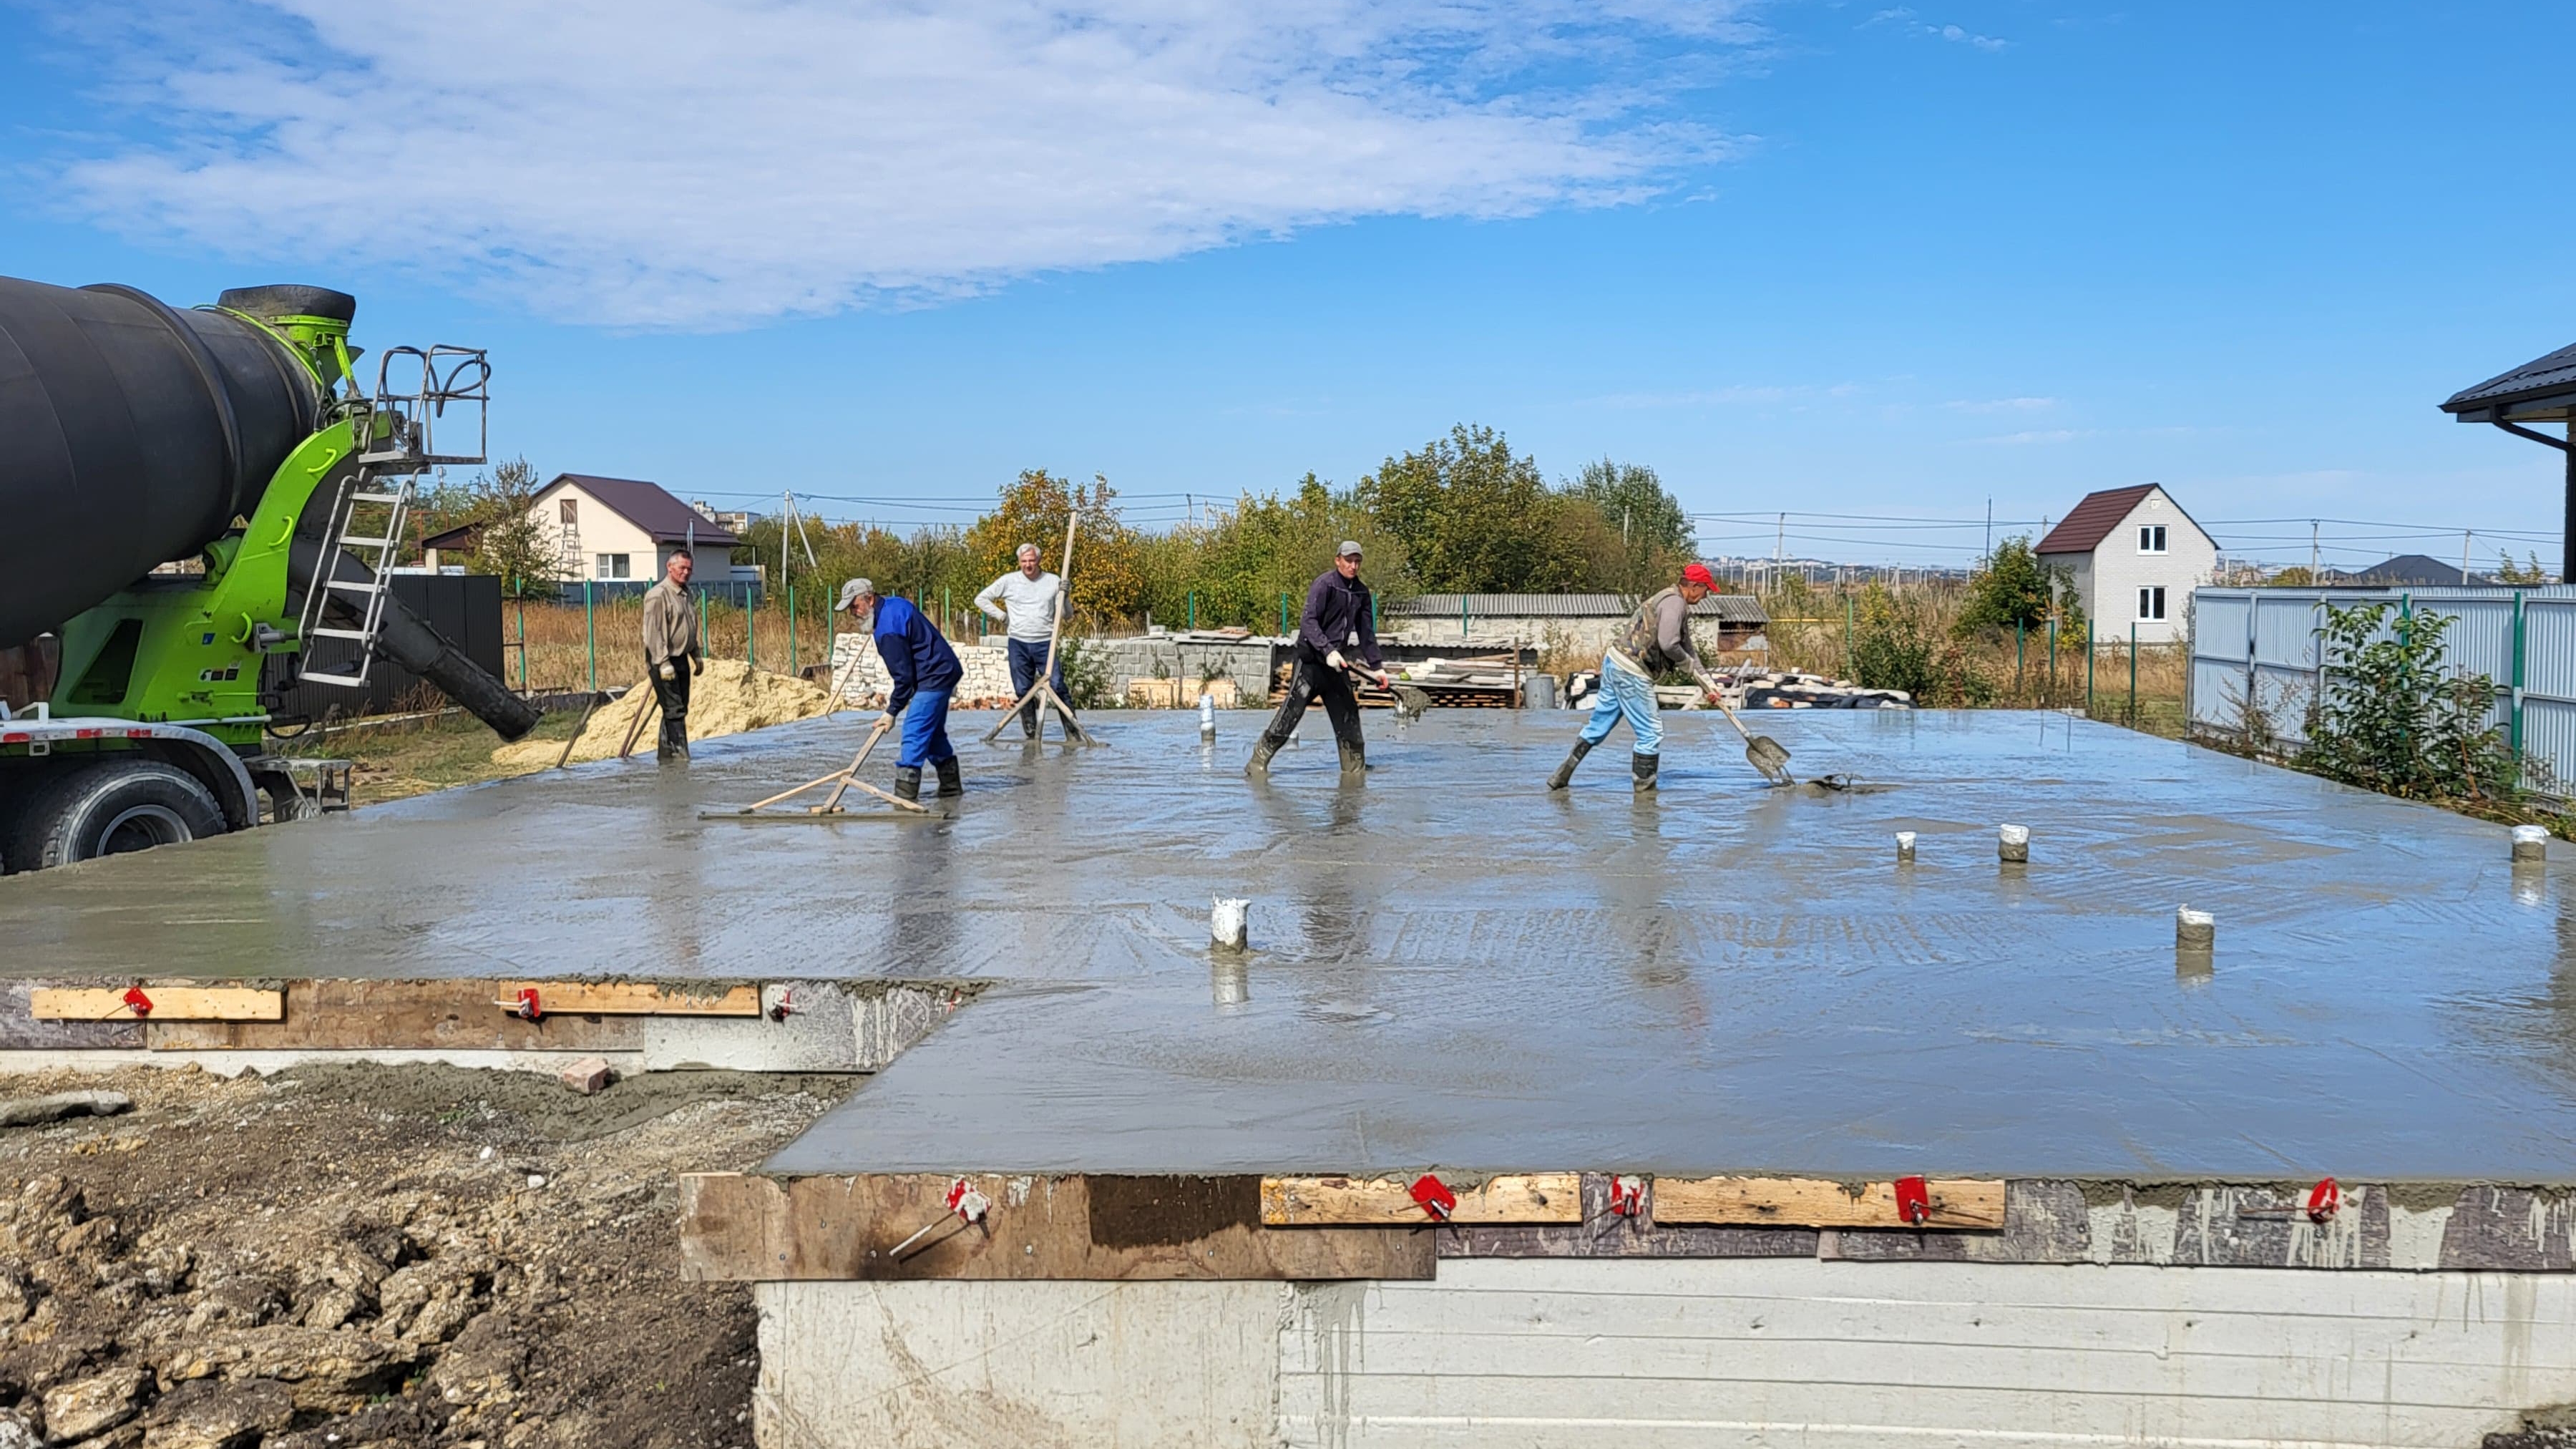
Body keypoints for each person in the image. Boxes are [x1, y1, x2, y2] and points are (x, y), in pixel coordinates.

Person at [1546, 562, 1729, 794]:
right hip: (1632, 671)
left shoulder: (1667, 599)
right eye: (1706, 590)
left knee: (1598, 726)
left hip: (1615, 663)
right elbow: (1669, 644)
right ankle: (1645, 799)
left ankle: (1561, 775)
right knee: (1651, 733)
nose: (1706, 596)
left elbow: (1688, 649)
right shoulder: (1675, 604)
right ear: (1694, 586)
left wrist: (1707, 683)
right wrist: (1685, 664)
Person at [1248, 541, 1391, 779]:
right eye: (1349, 561)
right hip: (1311, 662)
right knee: (1290, 716)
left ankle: (1354, 771)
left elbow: (1366, 632)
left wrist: (1377, 668)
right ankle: (1258, 761)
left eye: (1357, 561)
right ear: (1338, 560)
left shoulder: (1361, 593)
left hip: (1336, 666)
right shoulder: (1324, 585)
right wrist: (1327, 650)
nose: (1353, 566)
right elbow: (1308, 623)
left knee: (1349, 718)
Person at [836, 577, 964, 801]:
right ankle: (951, 788)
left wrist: (891, 712)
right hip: (942, 668)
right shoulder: (895, 604)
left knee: (914, 730)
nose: (853, 613)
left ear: (869, 598)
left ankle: (905, 797)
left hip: (935, 675)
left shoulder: (888, 629)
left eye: (855, 606)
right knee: (931, 733)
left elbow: (904, 677)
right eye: (850, 609)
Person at [974, 542, 1071, 738]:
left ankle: (1072, 730)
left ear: (1039, 561)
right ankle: (1031, 734)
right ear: (1019, 562)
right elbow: (981, 599)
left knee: (1058, 685)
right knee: (1022, 689)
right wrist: (1002, 616)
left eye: (1031, 561)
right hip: (1019, 643)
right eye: (1024, 561)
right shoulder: (1009, 581)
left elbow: (1066, 615)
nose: (1028, 565)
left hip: (1046, 644)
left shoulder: (1053, 581)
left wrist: (1066, 596)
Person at [639, 551, 704, 760]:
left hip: (681, 658)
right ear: (669, 567)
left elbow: (689, 627)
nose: (686, 572)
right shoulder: (658, 595)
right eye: (682, 568)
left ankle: (666, 753)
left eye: (689, 569)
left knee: (678, 707)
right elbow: (653, 632)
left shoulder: (685, 594)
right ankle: (678, 755)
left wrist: (696, 654)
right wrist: (663, 662)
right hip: (663, 659)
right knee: (674, 708)